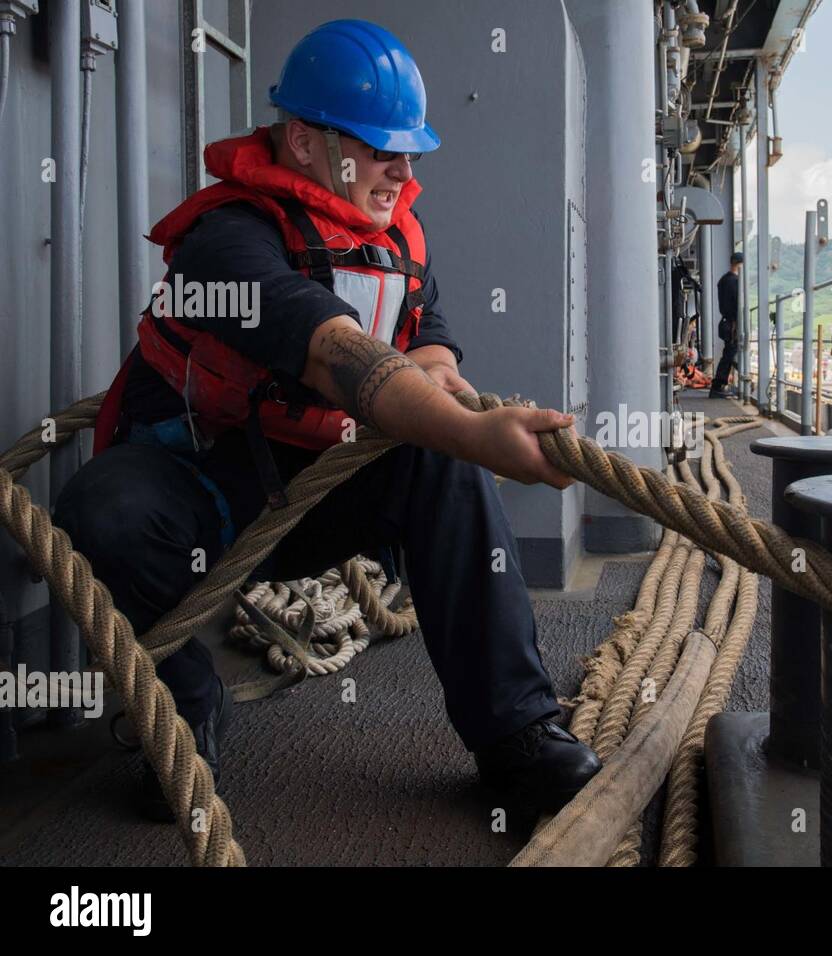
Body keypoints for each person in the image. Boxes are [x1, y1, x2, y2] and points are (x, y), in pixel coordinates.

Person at [53, 19, 600, 820]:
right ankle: (185, 708)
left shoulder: (392, 235)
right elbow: (330, 352)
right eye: (382, 150)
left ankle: (517, 734)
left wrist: (443, 386)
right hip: (207, 492)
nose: (403, 171)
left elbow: (428, 334)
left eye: (411, 153)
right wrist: (478, 433)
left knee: (440, 458)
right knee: (103, 509)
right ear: (306, 142)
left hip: (320, 488)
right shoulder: (226, 243)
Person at [709, 252, 743, 398]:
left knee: (729, 352)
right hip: (732, 324)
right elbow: (736, 304)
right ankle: (717, 386)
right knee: (730, 353)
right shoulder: (735, 281)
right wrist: (737, 323)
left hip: (725, 322)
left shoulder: (723, 280)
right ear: (739, 264)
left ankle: (720, 385)